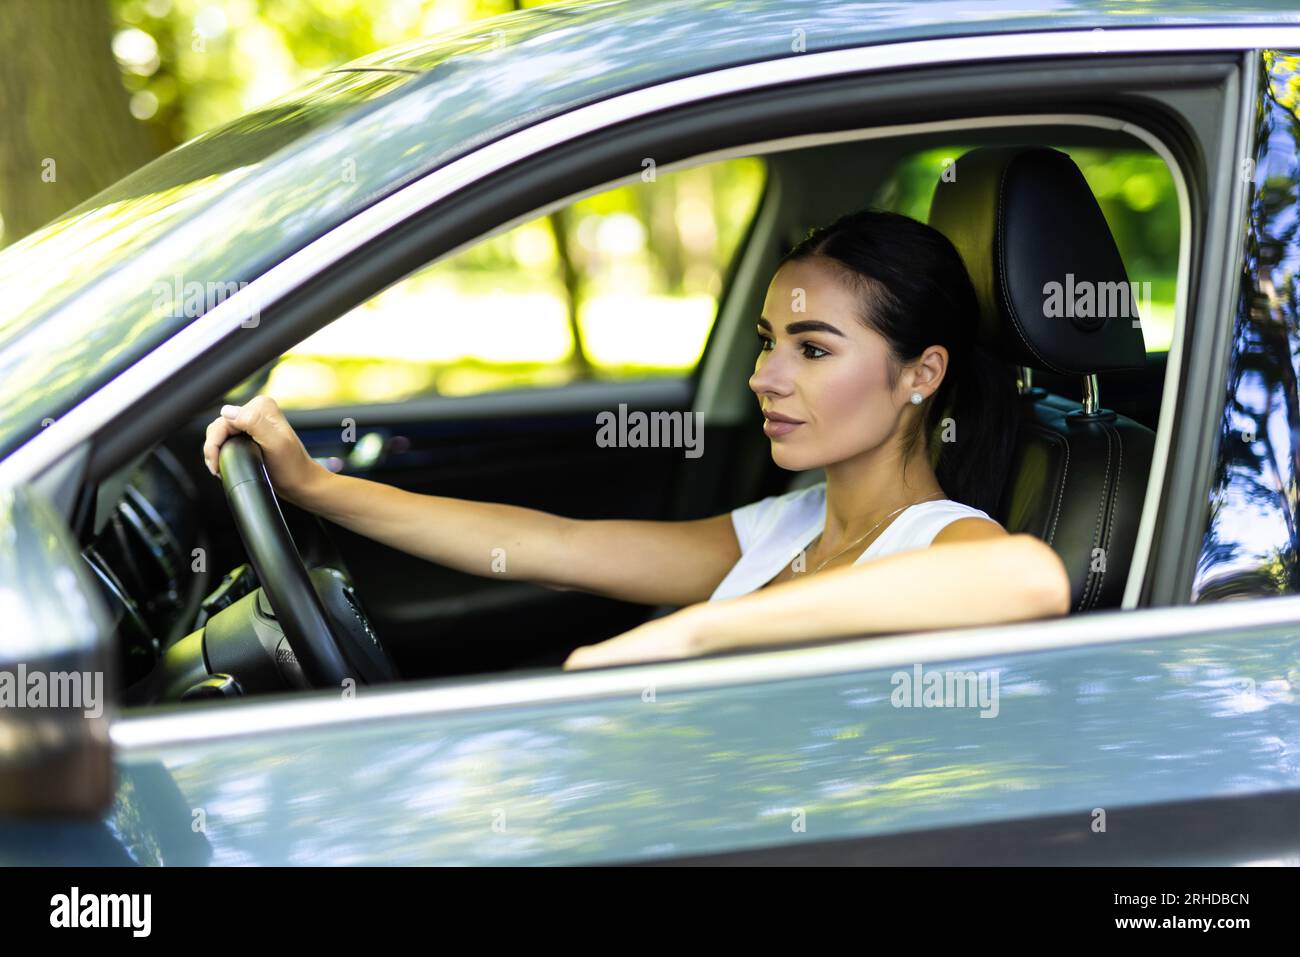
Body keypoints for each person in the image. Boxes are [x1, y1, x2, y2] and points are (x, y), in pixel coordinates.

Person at [203, 208, 1071, 672]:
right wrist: (317, 486)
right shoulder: (790, 525)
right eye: (769, 343)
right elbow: (553, 544)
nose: (767, 376)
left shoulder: (938, 537)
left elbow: (1026, 576)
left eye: (813, 350)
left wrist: (689, 635)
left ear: (922, 374)